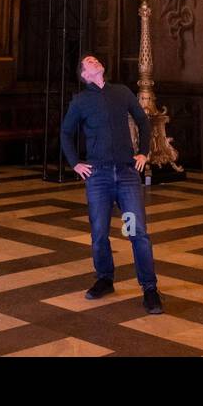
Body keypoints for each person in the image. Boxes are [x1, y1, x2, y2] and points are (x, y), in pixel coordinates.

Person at [61, 54, 163, 313]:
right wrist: (75, 163)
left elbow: (142, 120)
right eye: (89, 62)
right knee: (99, 233)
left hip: (127, 173)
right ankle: (104, 279)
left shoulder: (122, 92)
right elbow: (65, 132)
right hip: (99, 176)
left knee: (138, 232)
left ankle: (150, 288)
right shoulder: (81, 101)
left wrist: (143, 152)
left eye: (96, 60)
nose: (95, 62)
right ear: (84, 74)